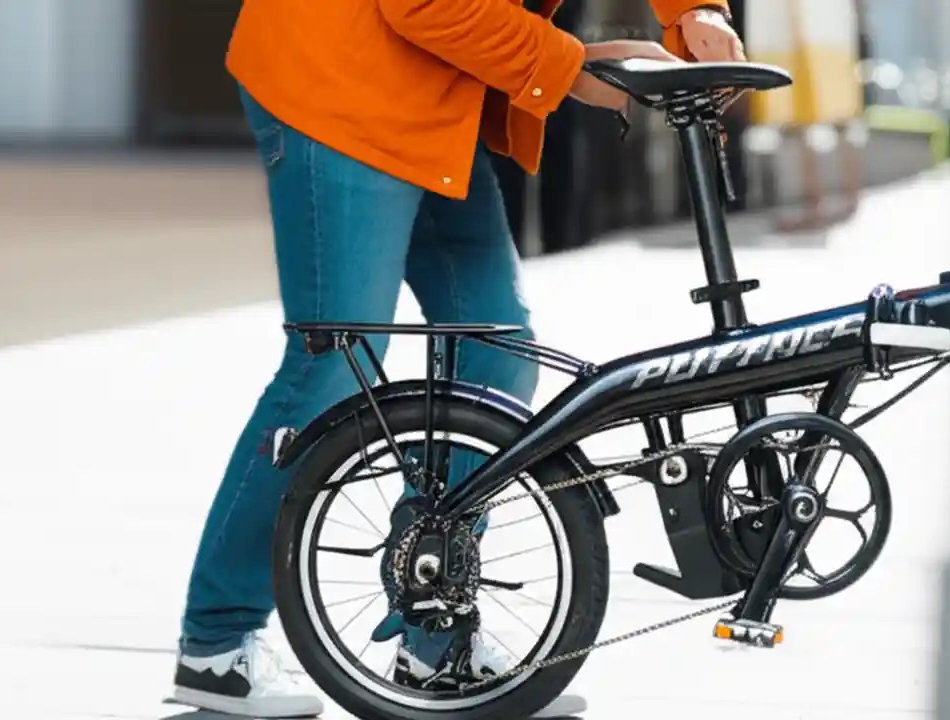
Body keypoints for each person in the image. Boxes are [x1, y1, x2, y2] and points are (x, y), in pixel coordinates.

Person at [171, 1, 745, 717]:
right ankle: (216, 645)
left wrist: (693, 12)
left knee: (497, 356)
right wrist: (568, 69)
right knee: (335, 362)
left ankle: (433, 643)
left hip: (433, 89)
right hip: (340, 84)